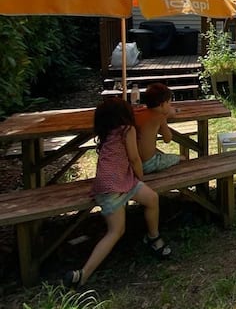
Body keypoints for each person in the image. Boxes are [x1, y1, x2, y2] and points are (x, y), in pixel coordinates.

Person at [63, 97, 171, 288]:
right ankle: (84, 274)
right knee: (116, 231)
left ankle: (153, 237)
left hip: (119, 182)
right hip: (116, 186)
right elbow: (135, 158)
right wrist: (141, 177)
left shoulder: (107, 133)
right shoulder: (127, 130)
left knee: (152, 198)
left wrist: (136, 181)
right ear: (124, 114)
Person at [135, 82, 187, 173]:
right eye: (169, 103)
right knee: (180, 158)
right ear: (163, 104)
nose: (170, 105)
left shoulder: (139, 113)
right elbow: (168, 139)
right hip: (148, 164)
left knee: (160, 154)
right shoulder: (159, 117)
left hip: (133, 163)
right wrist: (166, 115)